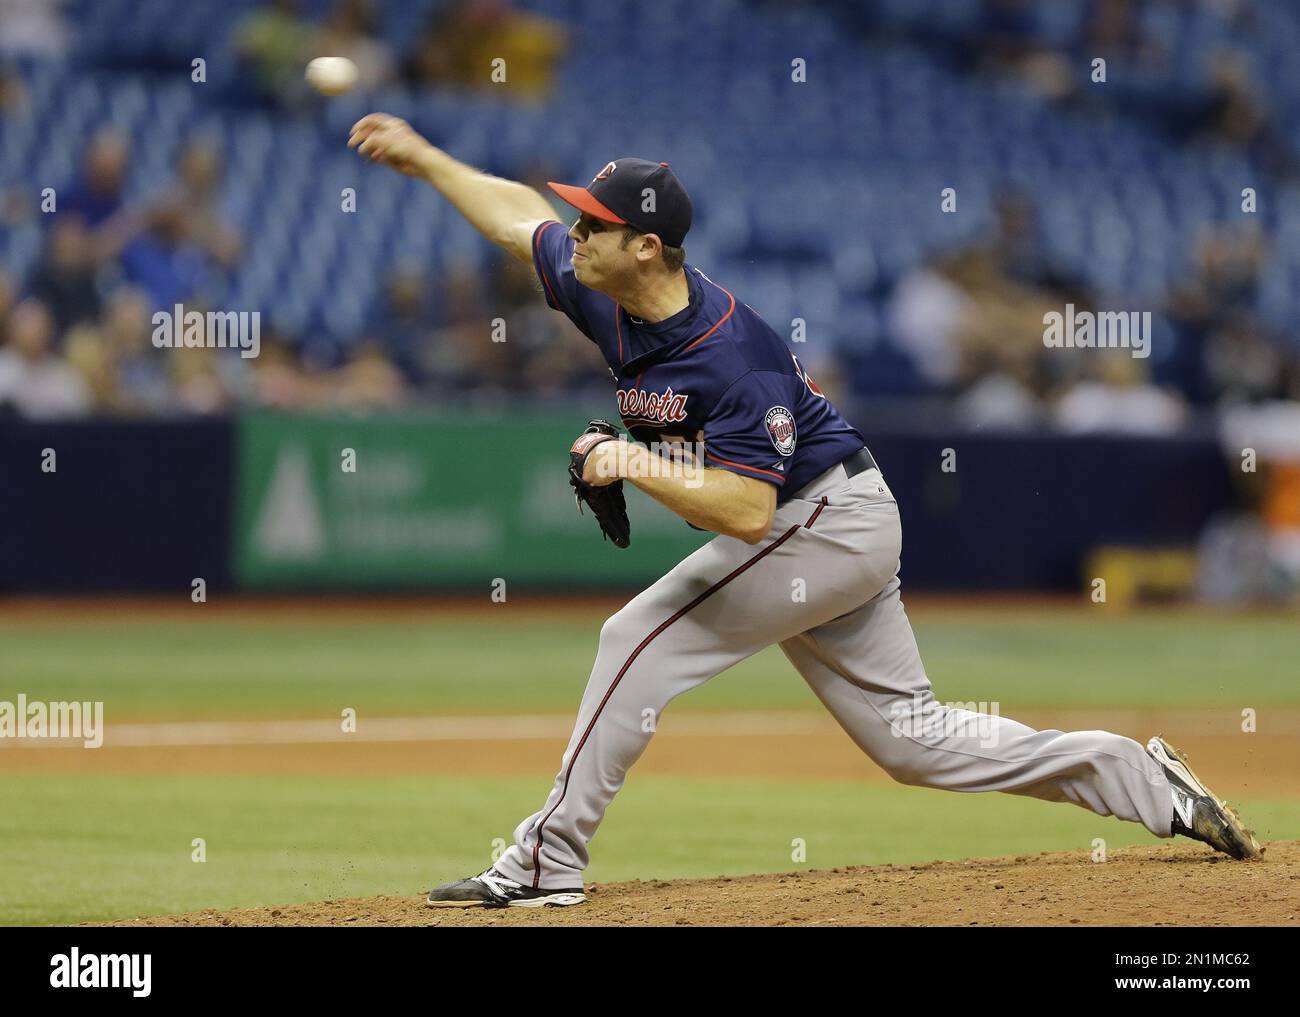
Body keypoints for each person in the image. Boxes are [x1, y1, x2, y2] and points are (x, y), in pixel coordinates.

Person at [347, 113, 1263, 909]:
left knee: (634, 638)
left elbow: (746, 513)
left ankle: (545, 860)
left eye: (594, 224)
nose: (575, 234)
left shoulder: (729, 353)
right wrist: (426, 156)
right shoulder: (604, 291)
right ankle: (1142, 780)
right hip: (830, 522)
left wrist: (628, 457)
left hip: (822, 522)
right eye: (581, 220)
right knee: (918, 743)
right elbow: (518, 221)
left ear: (647, 248)